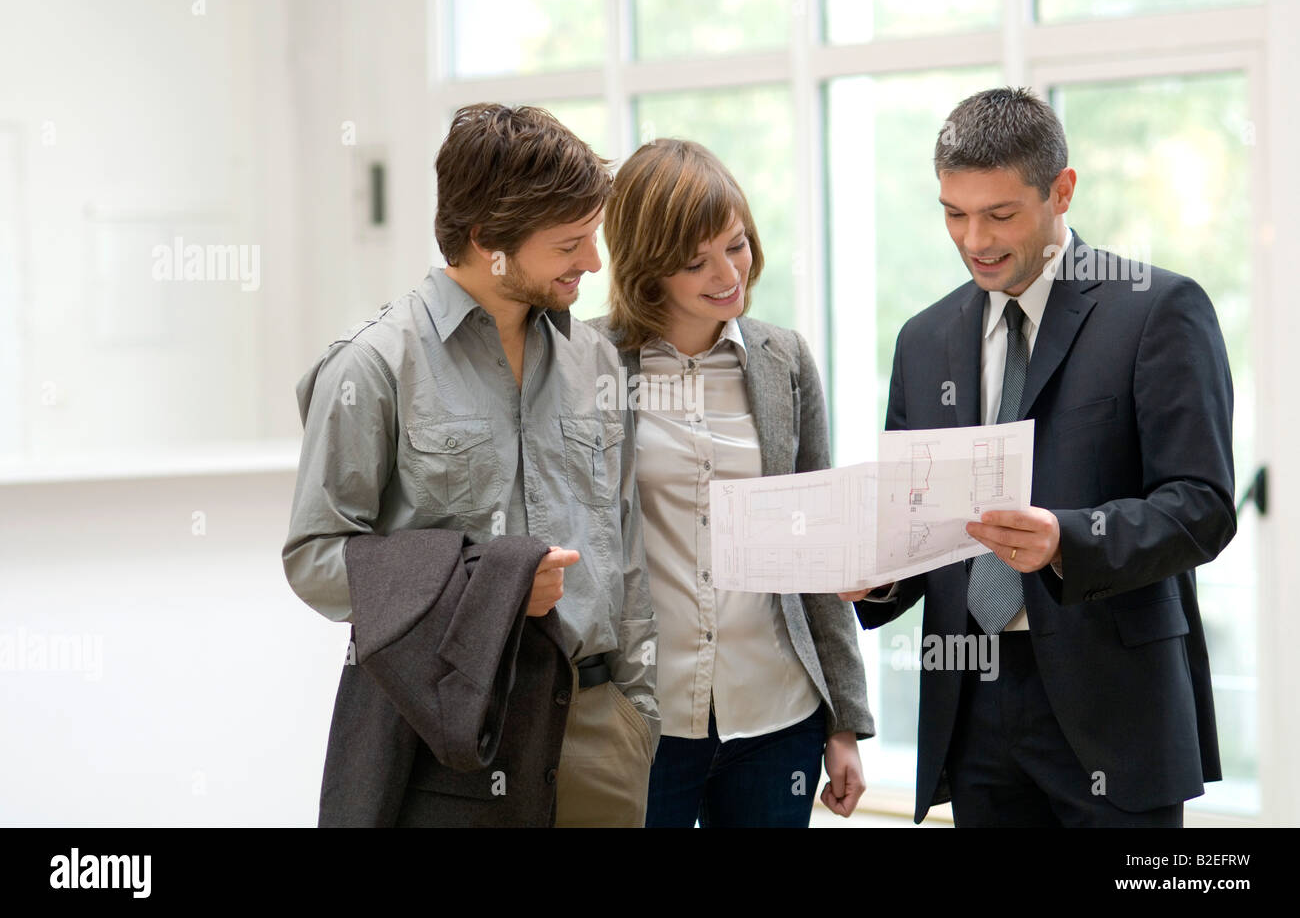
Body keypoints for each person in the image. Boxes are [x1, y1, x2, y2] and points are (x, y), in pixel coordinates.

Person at [841, 87, 1235, 827]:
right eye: (954, 213)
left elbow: (1203, 507)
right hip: (973, 702)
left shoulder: (1157, 311)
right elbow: (918, 519)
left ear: (1063, 190)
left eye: (999, 214)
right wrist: (876, 578)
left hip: (1113, 705)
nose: (974, 240)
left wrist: (1067, 539)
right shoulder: (923, 341)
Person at [283, 103, 658, 827]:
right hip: (451, 738)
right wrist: (491, 583)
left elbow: (625, 547)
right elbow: (315, 560)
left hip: (599, 735)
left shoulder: (595, 360)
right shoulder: (372, 367)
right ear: (489, 241)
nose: (593, 262)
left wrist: (637, 711)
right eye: (570, 243)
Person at [588, 139, 874, 828]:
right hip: (643, 716)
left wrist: (843, 722)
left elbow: (818, 552)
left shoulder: (787, 361)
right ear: (648, 267)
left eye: (737, 245)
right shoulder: (585, 361)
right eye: (696, 261)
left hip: (777, 713)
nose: (728, 274)